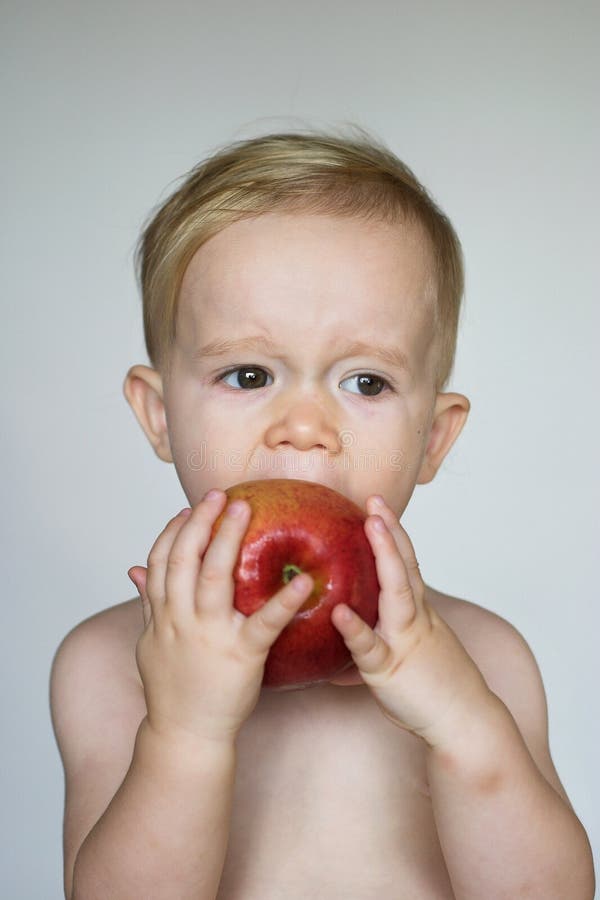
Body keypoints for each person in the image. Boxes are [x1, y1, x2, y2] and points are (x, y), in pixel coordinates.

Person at [50, 127, 595, 899]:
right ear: (159, 414)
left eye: (366, 383)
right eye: (248, 373)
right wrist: (185, 735)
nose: (303, 426)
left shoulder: (485, 657)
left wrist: (465, 726)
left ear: (433, 440)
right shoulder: (110, 663)